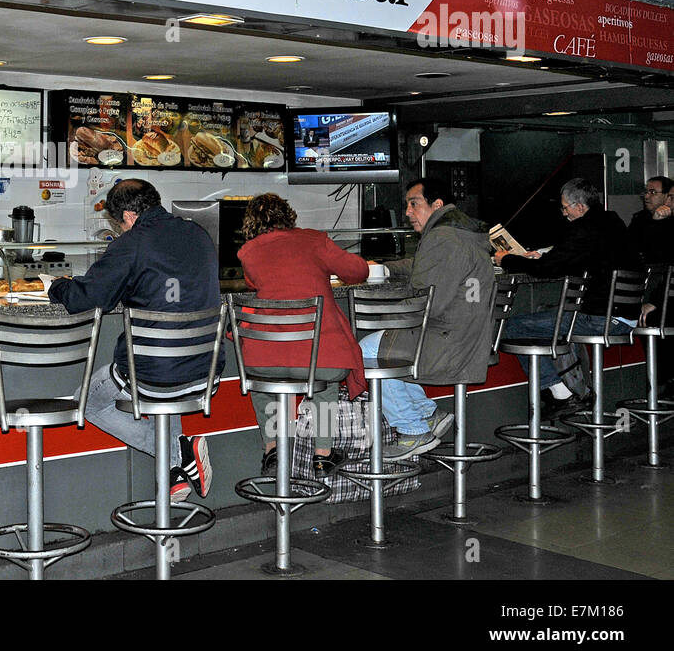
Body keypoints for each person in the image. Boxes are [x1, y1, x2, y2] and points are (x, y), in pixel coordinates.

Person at [47, 178, 219, 503]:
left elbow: (90, 297)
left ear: (127, 216)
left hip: (154, 375)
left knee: (84, 402)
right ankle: (176, 466)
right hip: (204, 371)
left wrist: (56, 286)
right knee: (167, 380)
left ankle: (178, 456)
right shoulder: (198, 233)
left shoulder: (132, 242)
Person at [236, 193, 368, 476]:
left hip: (264, 358)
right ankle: (323, 455)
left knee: (263, 387)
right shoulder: (314, 240)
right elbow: (358, 270)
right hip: (321, 357)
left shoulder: (248, 251)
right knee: (326, 384)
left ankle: (274, 449)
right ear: (289, 215)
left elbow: (252, 282)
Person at [365, 178, 493, 460]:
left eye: (414, 204)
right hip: (471, 338)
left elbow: (426, 305)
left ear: (436, 205)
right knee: (385, 343)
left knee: (366, 350)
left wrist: (385, 318)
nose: (408, 212)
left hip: (448, 343)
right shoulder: (462, 234)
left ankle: (413, 430)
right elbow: (427, 265)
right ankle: (428, 414)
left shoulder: (440, 238)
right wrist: (386, 270)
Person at [495, 177, 638, 417]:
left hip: (599, 319)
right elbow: (568, 257)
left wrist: (507, 259)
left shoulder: (584, 229)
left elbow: (550, 268)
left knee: (509, 327)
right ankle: (571, 391)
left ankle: (561, 394)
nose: (563, 213)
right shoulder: (614, 224)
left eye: (565, 207)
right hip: (626, 317)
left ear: (580, 207)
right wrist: (544, 256)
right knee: (545, 325)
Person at [631, 176, 674, 394]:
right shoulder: (639, 220)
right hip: (647, 289)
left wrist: (655, 301)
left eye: (653, 192)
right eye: (645, 192)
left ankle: (661, 382)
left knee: (656, 319)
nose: (647, 196)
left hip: (661, 294)